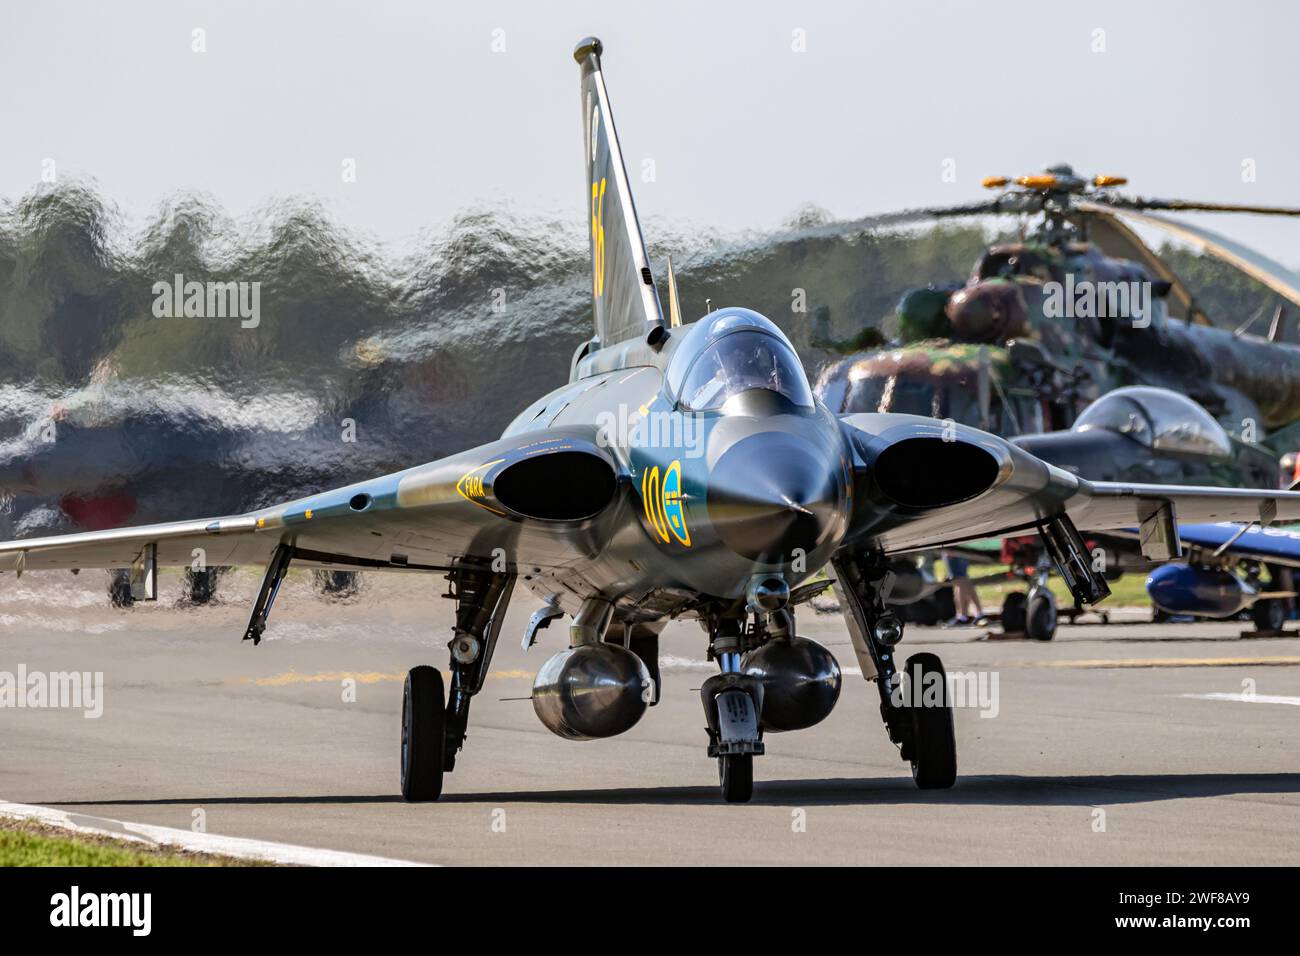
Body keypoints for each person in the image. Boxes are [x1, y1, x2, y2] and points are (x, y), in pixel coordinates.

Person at [944, 555, 986, 626]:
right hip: (958, 548)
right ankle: (977, 614)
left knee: (959, 579)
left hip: (953, 548)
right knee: (964, 580)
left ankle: (963, 616)